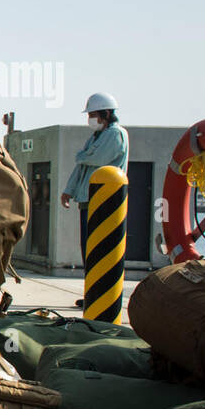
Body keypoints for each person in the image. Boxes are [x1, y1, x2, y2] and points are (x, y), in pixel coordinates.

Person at [61, 92, 129, 295]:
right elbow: (82, 166)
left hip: (104, 201)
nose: (90, 119)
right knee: (89, 250)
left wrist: (83, 156)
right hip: (87, 199)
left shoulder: (115, 134)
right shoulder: (96, 137)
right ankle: (92, 293)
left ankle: (101, 294)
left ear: (106, 113)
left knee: (102, 250)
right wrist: (68, 191)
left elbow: (98, 158)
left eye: (93, 114)